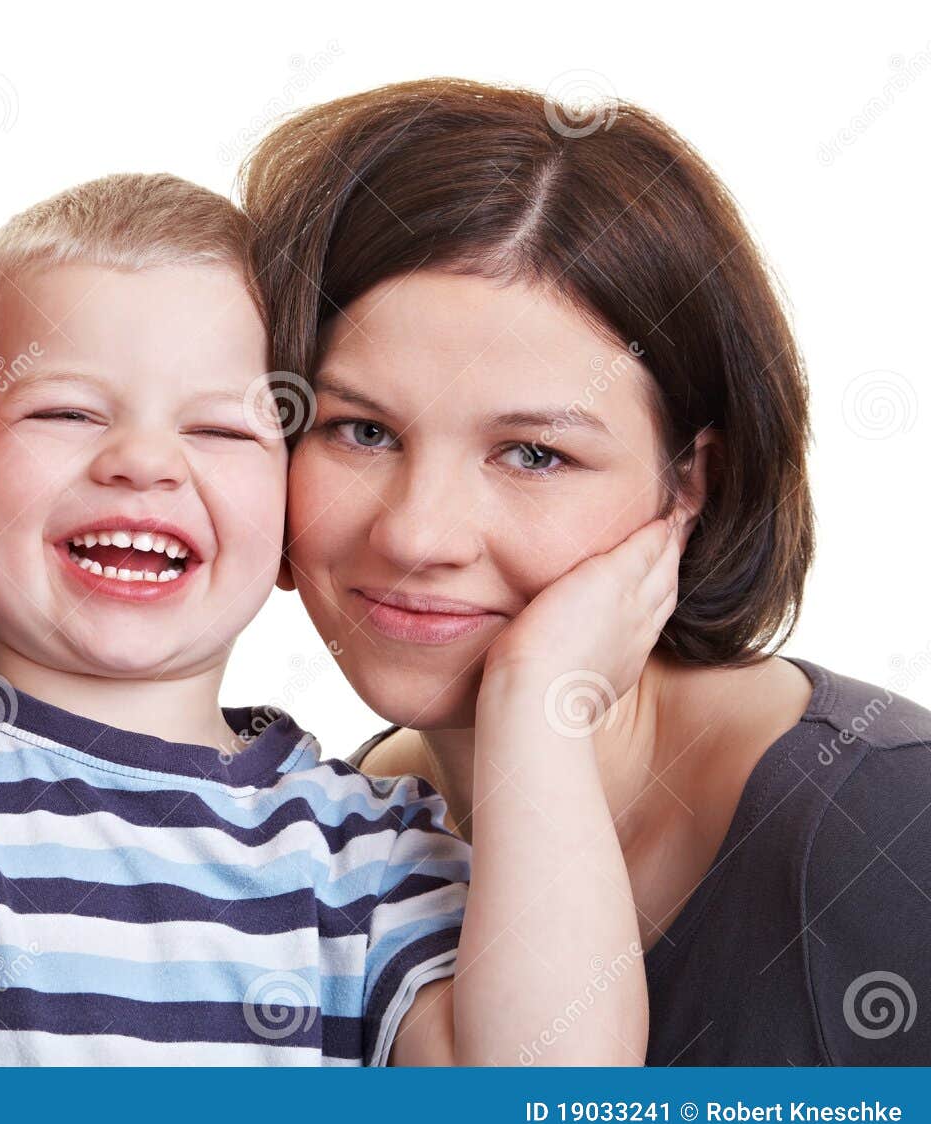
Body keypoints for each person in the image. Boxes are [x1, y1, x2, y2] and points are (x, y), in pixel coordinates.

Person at [0, 173, 679, 1066]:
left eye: (223, 431)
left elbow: (549, 1098)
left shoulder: (367, 851)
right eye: (65, 411)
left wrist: (543, 703)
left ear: (291, 508)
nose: (143, 463)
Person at [242, 78, 931, 1065]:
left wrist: (540, 699)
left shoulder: (897, 828)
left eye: (531, 454)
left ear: (690, 482)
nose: (416, 534)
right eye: (362, 429)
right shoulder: (322, 839)